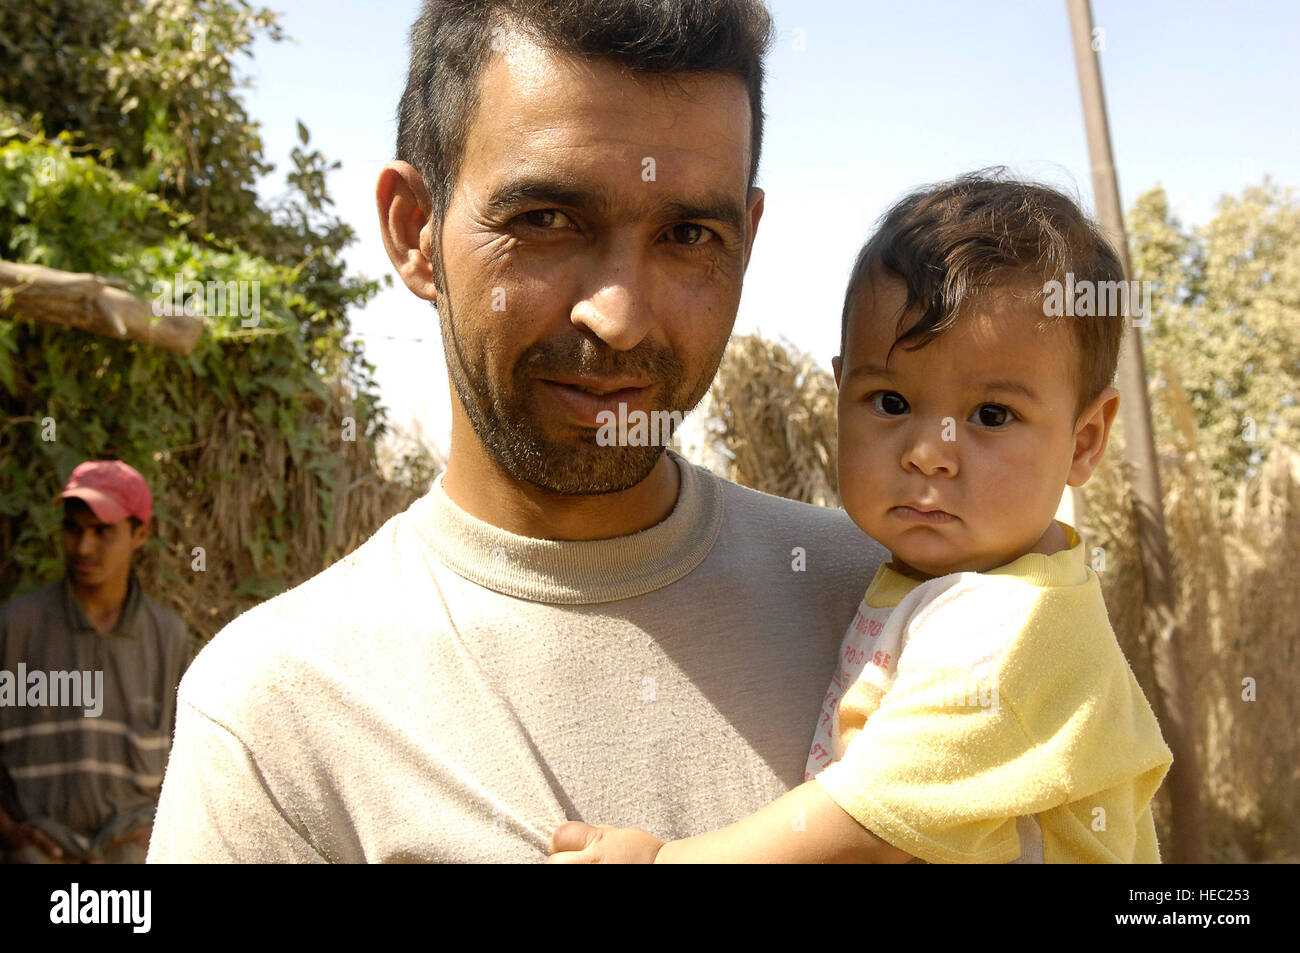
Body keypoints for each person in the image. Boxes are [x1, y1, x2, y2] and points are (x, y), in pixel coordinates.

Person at [146, 0, 889, 863]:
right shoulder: (278, 716)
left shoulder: (906, 615)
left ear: (746, 241)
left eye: (689, 234)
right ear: (412, 230)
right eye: (546, 220)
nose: (618, 315)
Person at [547, 172, 1174, 864]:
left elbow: (867, 827)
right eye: (892, 401)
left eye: (992, 416)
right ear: (841, 388)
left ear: (1084, 440)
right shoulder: (942, 582)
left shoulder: (1016, 625)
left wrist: (666, 860)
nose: (929, 454)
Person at [0, 460, 192, 863]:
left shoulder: (167, 637)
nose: (84, 547)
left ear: (140, 534)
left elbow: (193, 761)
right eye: (73, 529)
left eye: (102, 531)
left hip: (134, 853)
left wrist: (159, 829)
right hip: (35, 851)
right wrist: (11, 832)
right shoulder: (16, 628)